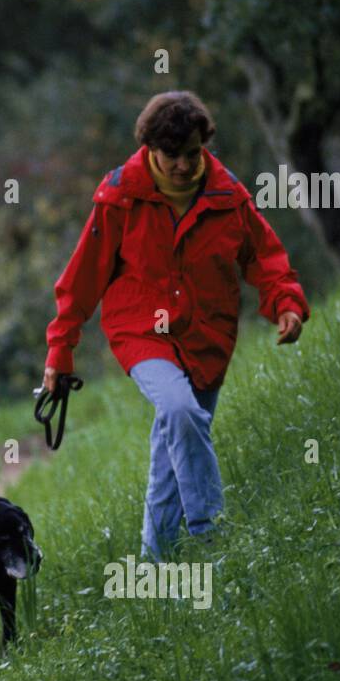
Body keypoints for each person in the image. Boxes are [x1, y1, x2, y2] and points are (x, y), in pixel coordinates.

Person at [41, 91, 310, 561]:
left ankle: (155, 565)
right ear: (151, 149)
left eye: (192, 153)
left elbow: (265, 257)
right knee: (182, 413)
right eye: (172, 156)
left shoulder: (228, 195)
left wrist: (285, 303)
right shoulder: (120, 196)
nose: (184, 166)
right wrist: (60, 353)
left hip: (208, 334)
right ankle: (212, 531)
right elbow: (81, 280)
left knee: (173, 446)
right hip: (141, 328)